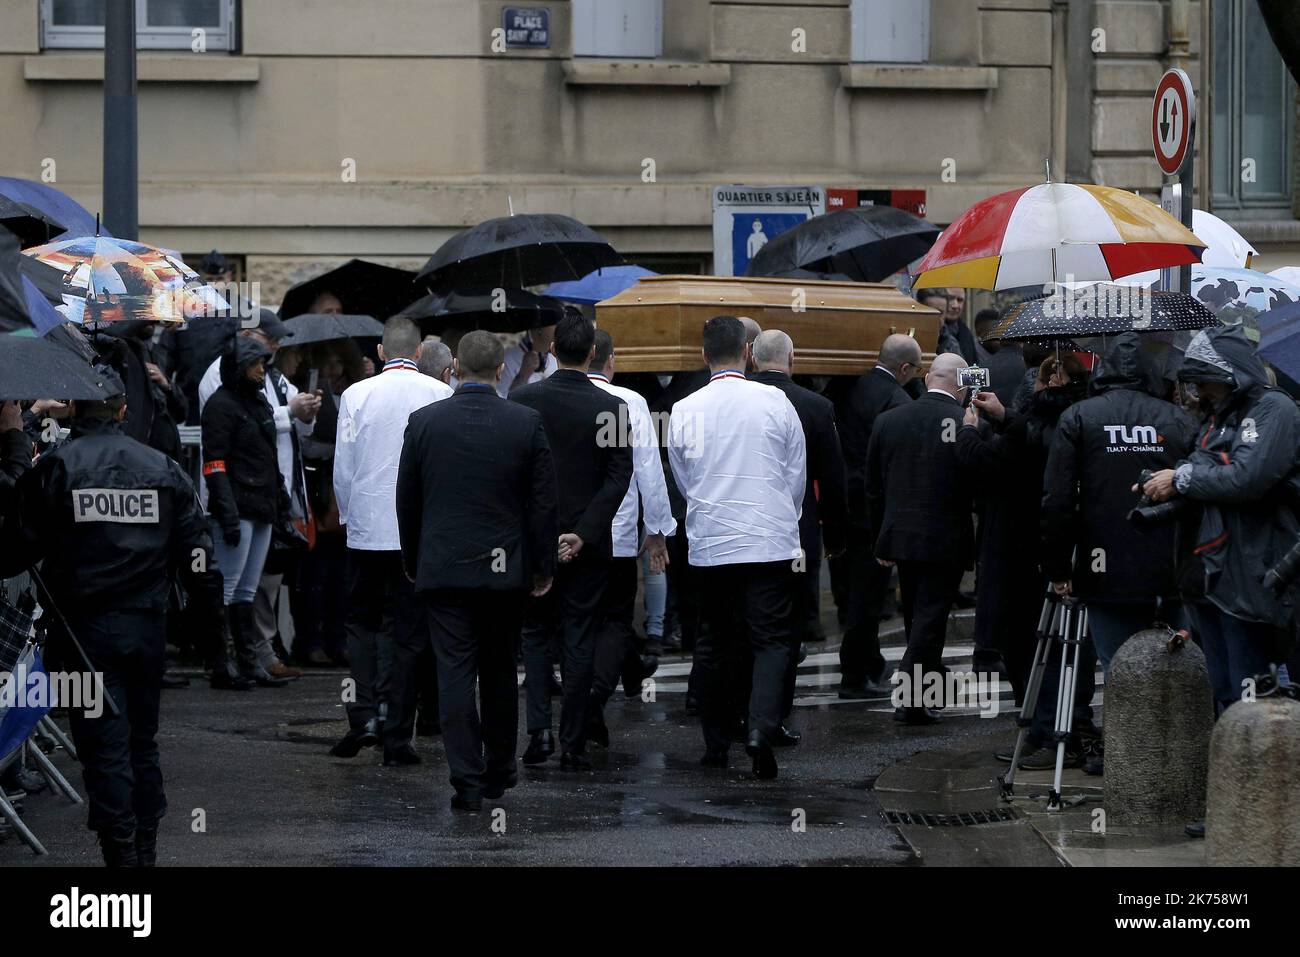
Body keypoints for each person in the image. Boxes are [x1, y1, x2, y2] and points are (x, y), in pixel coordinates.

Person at [1, 364, 225, 866]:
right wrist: (213, 642)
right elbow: (199, 559)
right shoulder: (162, 469)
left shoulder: (55, 470)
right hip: (144, 633)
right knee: (140, 741)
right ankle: (142, 851)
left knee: (101, 746)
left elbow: (14, 552)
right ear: (124, 411)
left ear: (76, 409)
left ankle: (122, 856)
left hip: (79, 638)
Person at [397, 331, 556, 811]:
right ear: (501, 370)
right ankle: (500, 765)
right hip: (504, 570)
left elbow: (407, 499)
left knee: (454, 673)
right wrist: (542, 565)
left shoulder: (424, 422)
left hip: (443, 568)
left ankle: (465, 776)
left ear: (456, 369)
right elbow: (542, 503)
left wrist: (413, 559)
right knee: (500, 669)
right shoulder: (525, 422)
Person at [668, 315, 805, 779]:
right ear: (748, 352)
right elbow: (794, 475)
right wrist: (785, 519)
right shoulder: (776, 400)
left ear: (703, 356)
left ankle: (716, 741)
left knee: (714, 643)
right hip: (767, 539)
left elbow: (683, 477)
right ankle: (761, 729)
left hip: (713, 542)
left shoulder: (685, 408)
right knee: (770, 641)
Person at [1141, 326, 1300, 714]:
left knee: (1255, 698)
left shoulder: (1274, 409)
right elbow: (1205, 465)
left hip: (1257, 574)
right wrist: (1169, 482)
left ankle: (1256, 770)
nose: (1199, 391)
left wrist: (1181, 479)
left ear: (1229, 373)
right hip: (1212, 574)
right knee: (1228, 692)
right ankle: (1234, 767)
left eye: (1205, 380)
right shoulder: (1219, 416)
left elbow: (1247, 478)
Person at [510, 313, 633, 769]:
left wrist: (539, 531)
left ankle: (539, 733)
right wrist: (583, 533)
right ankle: (573, 740)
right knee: (581, 636)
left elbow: (516, 475)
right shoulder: (613, 409)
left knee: (537, 635)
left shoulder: (524, 400)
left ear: (554, 350)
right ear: (593, 353)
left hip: (537, 540)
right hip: (590, 544)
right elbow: (619, 477)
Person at [330, 318, 453, 763]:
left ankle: (364, 714)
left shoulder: (355, 395)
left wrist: (349, 513)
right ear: (419, 354)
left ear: (382, 352)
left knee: (361, 623)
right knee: (407, 633)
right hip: (416, 530)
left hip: (367, 523)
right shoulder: (440, 394)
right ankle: (397, 731)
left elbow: (344, 466)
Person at [1042, 334, 1197, 674]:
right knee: (1181, 667)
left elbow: (1058, 499)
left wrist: (1057, 568)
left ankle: (1128, 727)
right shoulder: (1179, 419)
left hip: (1103, 565)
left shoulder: (1078, 417)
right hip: (1170, 564)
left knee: (1119, 669)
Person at [200, 309, 317, 675]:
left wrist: (281, 502)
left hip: (264, 501)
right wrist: (228, 511)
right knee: (232, 584)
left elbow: (271, 448)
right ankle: (225, 661)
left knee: (249, 587)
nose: (265, 367)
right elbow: (215, 459)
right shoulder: (220, 396)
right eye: (258, 363)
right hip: (237, 503)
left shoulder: (264, 392)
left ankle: (250, 660)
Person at [866, 352, 975, 725]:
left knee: (919, 616)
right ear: (960, 386)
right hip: (946, 536)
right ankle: (911, 696)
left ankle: (920, 698)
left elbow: (874, 488)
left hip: (900, 535)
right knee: (930, 617)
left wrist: (880, 538)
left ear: (928, 377)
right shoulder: (964, 422)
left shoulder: (889, 420)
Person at [750, 329, 846, 731]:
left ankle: (738, 710)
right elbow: (832, 476)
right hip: (796, 529)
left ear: (752, 360)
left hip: (738, 526)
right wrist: (836, 537)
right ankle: (775, 712)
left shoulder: (735, 401)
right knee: (786, 624)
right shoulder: (816, 405)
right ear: (793, 359)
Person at [584, 329, 675, 748]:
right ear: (610, 360)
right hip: (616, 533)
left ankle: (626, 673)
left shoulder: (543, 395)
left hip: (565, 534)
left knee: (580, 621)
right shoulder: (629, 402)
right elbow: (648, 470)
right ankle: (595, 696)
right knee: (615, 620)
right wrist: (657, 529)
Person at [835, 333, 921, 698]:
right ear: (904, 368)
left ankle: (868, 662)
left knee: (856, 590)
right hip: (878, 508)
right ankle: (856, 674)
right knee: (869, 596)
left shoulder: (847, 387)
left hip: (846, 501)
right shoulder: (896, 399)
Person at [500, 323, 557, 397]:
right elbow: (500, 401)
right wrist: (523, 375)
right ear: (540, 329)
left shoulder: (555, 358)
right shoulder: (507, 359)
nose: (560, 328)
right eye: (555, 323)